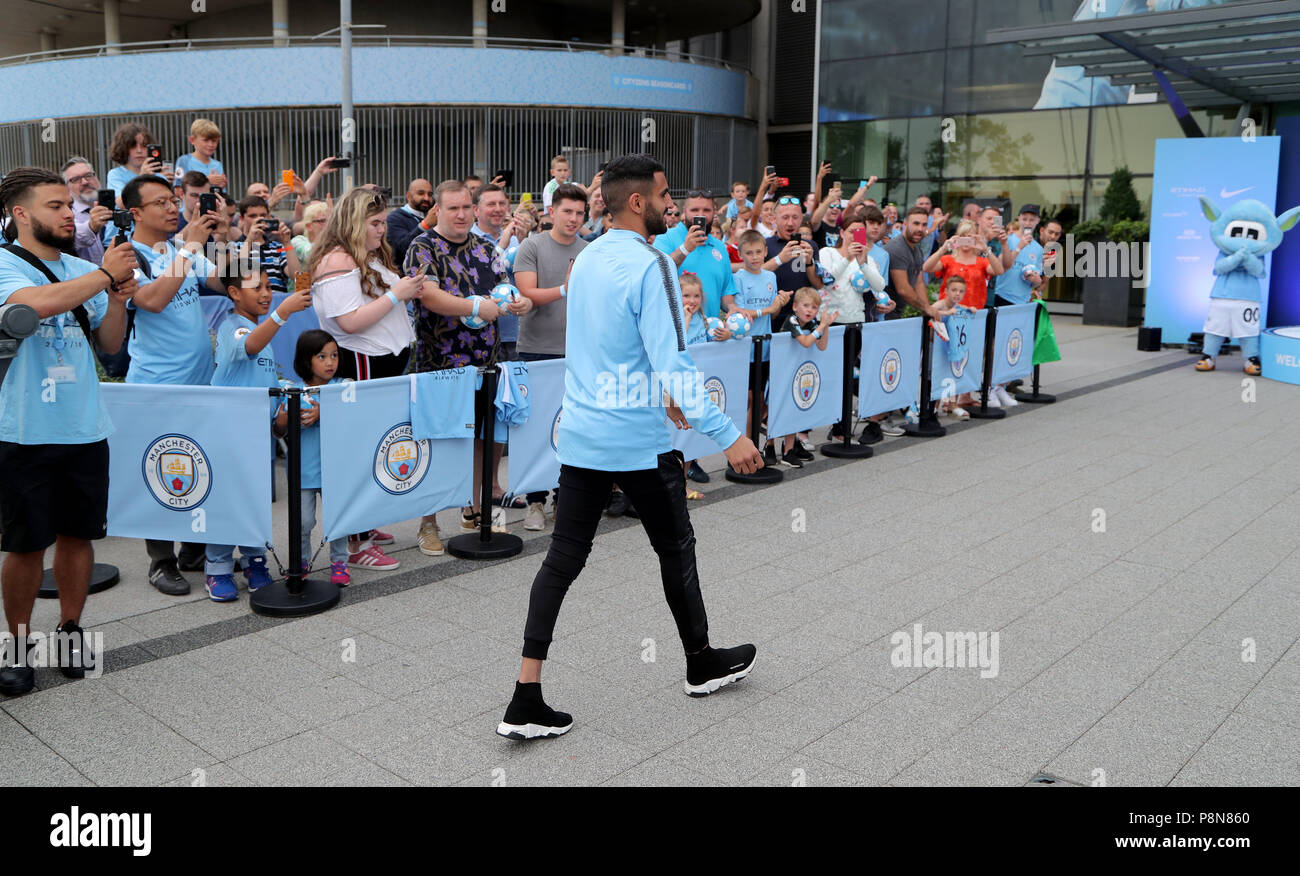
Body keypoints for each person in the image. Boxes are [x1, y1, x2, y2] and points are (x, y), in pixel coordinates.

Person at [496, 153, 763, 741]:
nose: (672, 205)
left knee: (562, 560)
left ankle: (525, 695)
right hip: (638, 443)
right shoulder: (651, 266)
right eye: (665, 195)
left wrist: (659, 392)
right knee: (676, 549)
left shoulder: (587, 257)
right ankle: (700, 663)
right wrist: (730, 435)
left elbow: (607, 348)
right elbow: (674, 360)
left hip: (585, 436)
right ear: (638, 201)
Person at [0, 167, 137, 696]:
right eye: (54, 205)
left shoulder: (84, 267)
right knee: (25, 544)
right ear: (20, 213)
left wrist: (119, 297)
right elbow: (30, 307)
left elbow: (109, 344)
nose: (66, 213)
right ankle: (15, 642)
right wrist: (105, 277)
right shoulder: (6, 263)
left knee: (78, 537)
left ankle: (70, 630)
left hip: (83, 426)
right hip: (22, 430)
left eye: (67, 205)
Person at [121, 174, 230, 594]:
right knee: (161, 467)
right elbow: (152, 301)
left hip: (199, 381)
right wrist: (189, 247)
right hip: (156, 385)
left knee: (195, 462)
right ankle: (160, 561)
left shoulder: (176, 248)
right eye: (161, 203)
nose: (172, 208)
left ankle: (194, 551)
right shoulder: (128, 254)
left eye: (173, 200)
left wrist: (224, 237)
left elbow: (223, 282)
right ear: (136, 213)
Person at [404, 180, 528, 545]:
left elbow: (504, 286)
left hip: (484, 362)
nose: (460, 214)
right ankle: (428, 523)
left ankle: (473, 510)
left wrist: (516, 302)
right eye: (452, 208)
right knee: (437, 441)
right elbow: (429, 296)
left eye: (464, 208)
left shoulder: (486, 247)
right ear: (437, 211)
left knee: (479, 439)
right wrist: (475, 306)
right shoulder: (422, 247)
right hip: (438, 363)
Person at [309, 186, 421, 568]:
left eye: (382, 222)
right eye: (374, 223)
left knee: (372, 450)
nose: (381, 230)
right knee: (358, 454)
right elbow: (350, 323)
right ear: (355, 223)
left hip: (380, 362)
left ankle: (363, 527)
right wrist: (398, 294)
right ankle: (354, 544)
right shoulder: (338, 260)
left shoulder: (362, 256)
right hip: (360, 363)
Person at [204, 261, 312, 601]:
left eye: (269, 287)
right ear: (234, 293)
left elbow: (262, 380)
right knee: (227, 501)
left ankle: (255, 561)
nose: (266, 294)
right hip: (226, 435)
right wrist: (282, 314)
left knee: (252, 501)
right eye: (257, 288)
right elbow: (247, 346)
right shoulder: (232, 326)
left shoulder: (259, 331)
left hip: (255, 438)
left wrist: (284, 396)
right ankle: (217, 567)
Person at [514, 182, 587, 530]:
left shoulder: (590, 249)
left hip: (578, 352)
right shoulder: (532, 245)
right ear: (552, 212)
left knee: (571, 427)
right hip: (536, 350)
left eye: (579, 213)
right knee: (537, 428)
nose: (573, 219)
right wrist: (564, 289)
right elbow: (526, 292)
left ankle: (564, 499)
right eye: (567, 211)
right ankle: (535, 502)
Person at [277, 330, 350, 587]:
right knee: (303, 521)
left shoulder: (343, 386)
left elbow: (356, 416)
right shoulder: (293, 391)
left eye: (334, 355)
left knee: (338, 519)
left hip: (336, 470)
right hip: (303, 472)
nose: (330, 362)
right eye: (322, 356)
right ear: (306, 360)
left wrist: (325, 411)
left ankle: (340, 562)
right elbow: (279, 427)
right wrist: (291, 412)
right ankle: (300, 562)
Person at [723, 229, 790, 468]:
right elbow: (739, 314)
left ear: (765, 252)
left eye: (759, 252)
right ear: (740, 254)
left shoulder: (770, 278)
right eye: (749, 253)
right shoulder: (738, 278)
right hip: (745, 348)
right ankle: (741, 449)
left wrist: (779, 303)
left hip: (767, 345)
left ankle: (753, 448)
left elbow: (774, 311)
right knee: (748, 398)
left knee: (760, 398)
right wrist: (767, 310)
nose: (754, 257)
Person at [653, 189, 735, 320]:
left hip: (710, 334)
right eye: (695, 210)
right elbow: (657, 273)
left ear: (714, 212)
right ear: (685, 211)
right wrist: (685, 248)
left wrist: (732, 307)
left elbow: (726, 290)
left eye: (707, 210)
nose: (701, 215)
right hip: (676, 332)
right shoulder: (665, 238)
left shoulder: (720, 246)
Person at [234, 196, 300, 295]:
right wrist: (250, 240)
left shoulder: (278, 247)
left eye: (263, 215)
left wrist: (287, 243)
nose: (259, 219)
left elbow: (297, 276)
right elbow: (235, 275)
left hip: (278, 305)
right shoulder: (233, 246)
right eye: (253, 216)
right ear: (242, 219)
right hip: (248, 306)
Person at [60, 157, 109, 265]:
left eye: (88, 175)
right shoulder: (66, 213)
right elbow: (73, 237)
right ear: (67, 188)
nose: (85, 182)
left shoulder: (115, 206)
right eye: (76, 179)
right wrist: (92, 226)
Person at [106, 122, 167, 203]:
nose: (139, 150)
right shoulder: (115, 174)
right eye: (133, 146)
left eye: (144, 145)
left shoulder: (159, 176)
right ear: (123, 148)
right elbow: (121, 203)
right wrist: (142, 179)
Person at [385, 178, 434, 265]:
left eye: (430, 194)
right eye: (421, 193)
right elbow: (401, 249)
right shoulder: (395, 218)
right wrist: (425, 225)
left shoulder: (434, 217)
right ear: (408, 196)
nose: (426, 198)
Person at [173, 118, 227, 189]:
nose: (210, 144)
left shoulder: (218, 165)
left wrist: (221, 187)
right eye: (206, 140)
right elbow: (178, 190)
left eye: (214, 141)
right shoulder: (183, 161)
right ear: (192, 140)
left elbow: (220, 193)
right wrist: (206, 181)